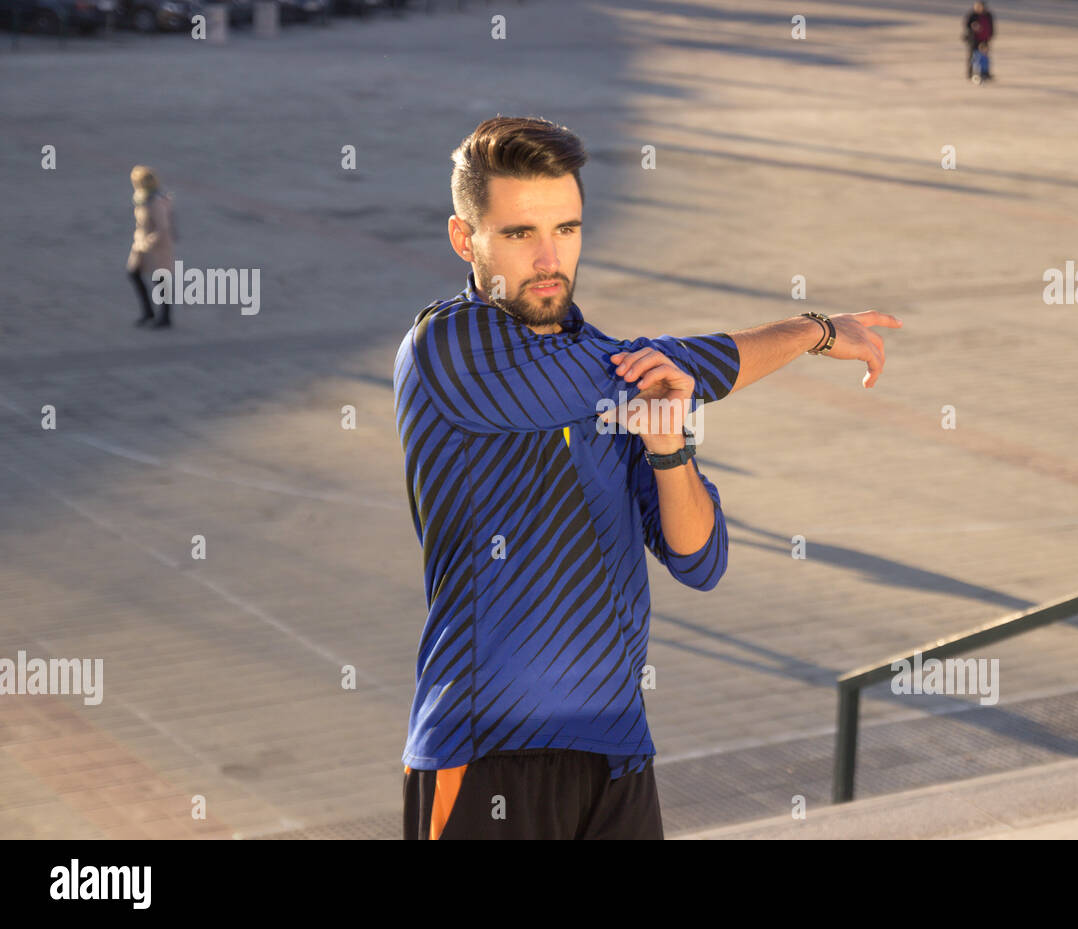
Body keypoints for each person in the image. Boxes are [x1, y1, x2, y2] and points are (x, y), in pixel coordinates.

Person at [393, 116, 902, 840]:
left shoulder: (615, 367)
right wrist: (813, 331)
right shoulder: (446, 347)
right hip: (482, 753)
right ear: (463, 237)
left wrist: (670, 452)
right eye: (518, 234)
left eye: (566, 229)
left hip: (618, 755)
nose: (548, 257)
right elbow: (651, 363)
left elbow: (701, 560)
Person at [125, 166, 176, 329]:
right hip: (141, 245)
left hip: (156, 247)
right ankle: (148, 312)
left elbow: (163, 227)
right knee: (134, 274)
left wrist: (149, 242)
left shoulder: (155, 202)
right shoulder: (142, 198)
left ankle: (164, 317)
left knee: (161, 281)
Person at [963, 2, 994, 82]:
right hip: (974, 40)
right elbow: (967, 25)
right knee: (974, 57)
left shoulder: (988, 15)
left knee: (984, 57)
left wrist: (990, 36)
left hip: (985, 39)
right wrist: (973, 26)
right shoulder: (972, 15)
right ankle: (971, 74)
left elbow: (991, 26)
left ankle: (985, 73)